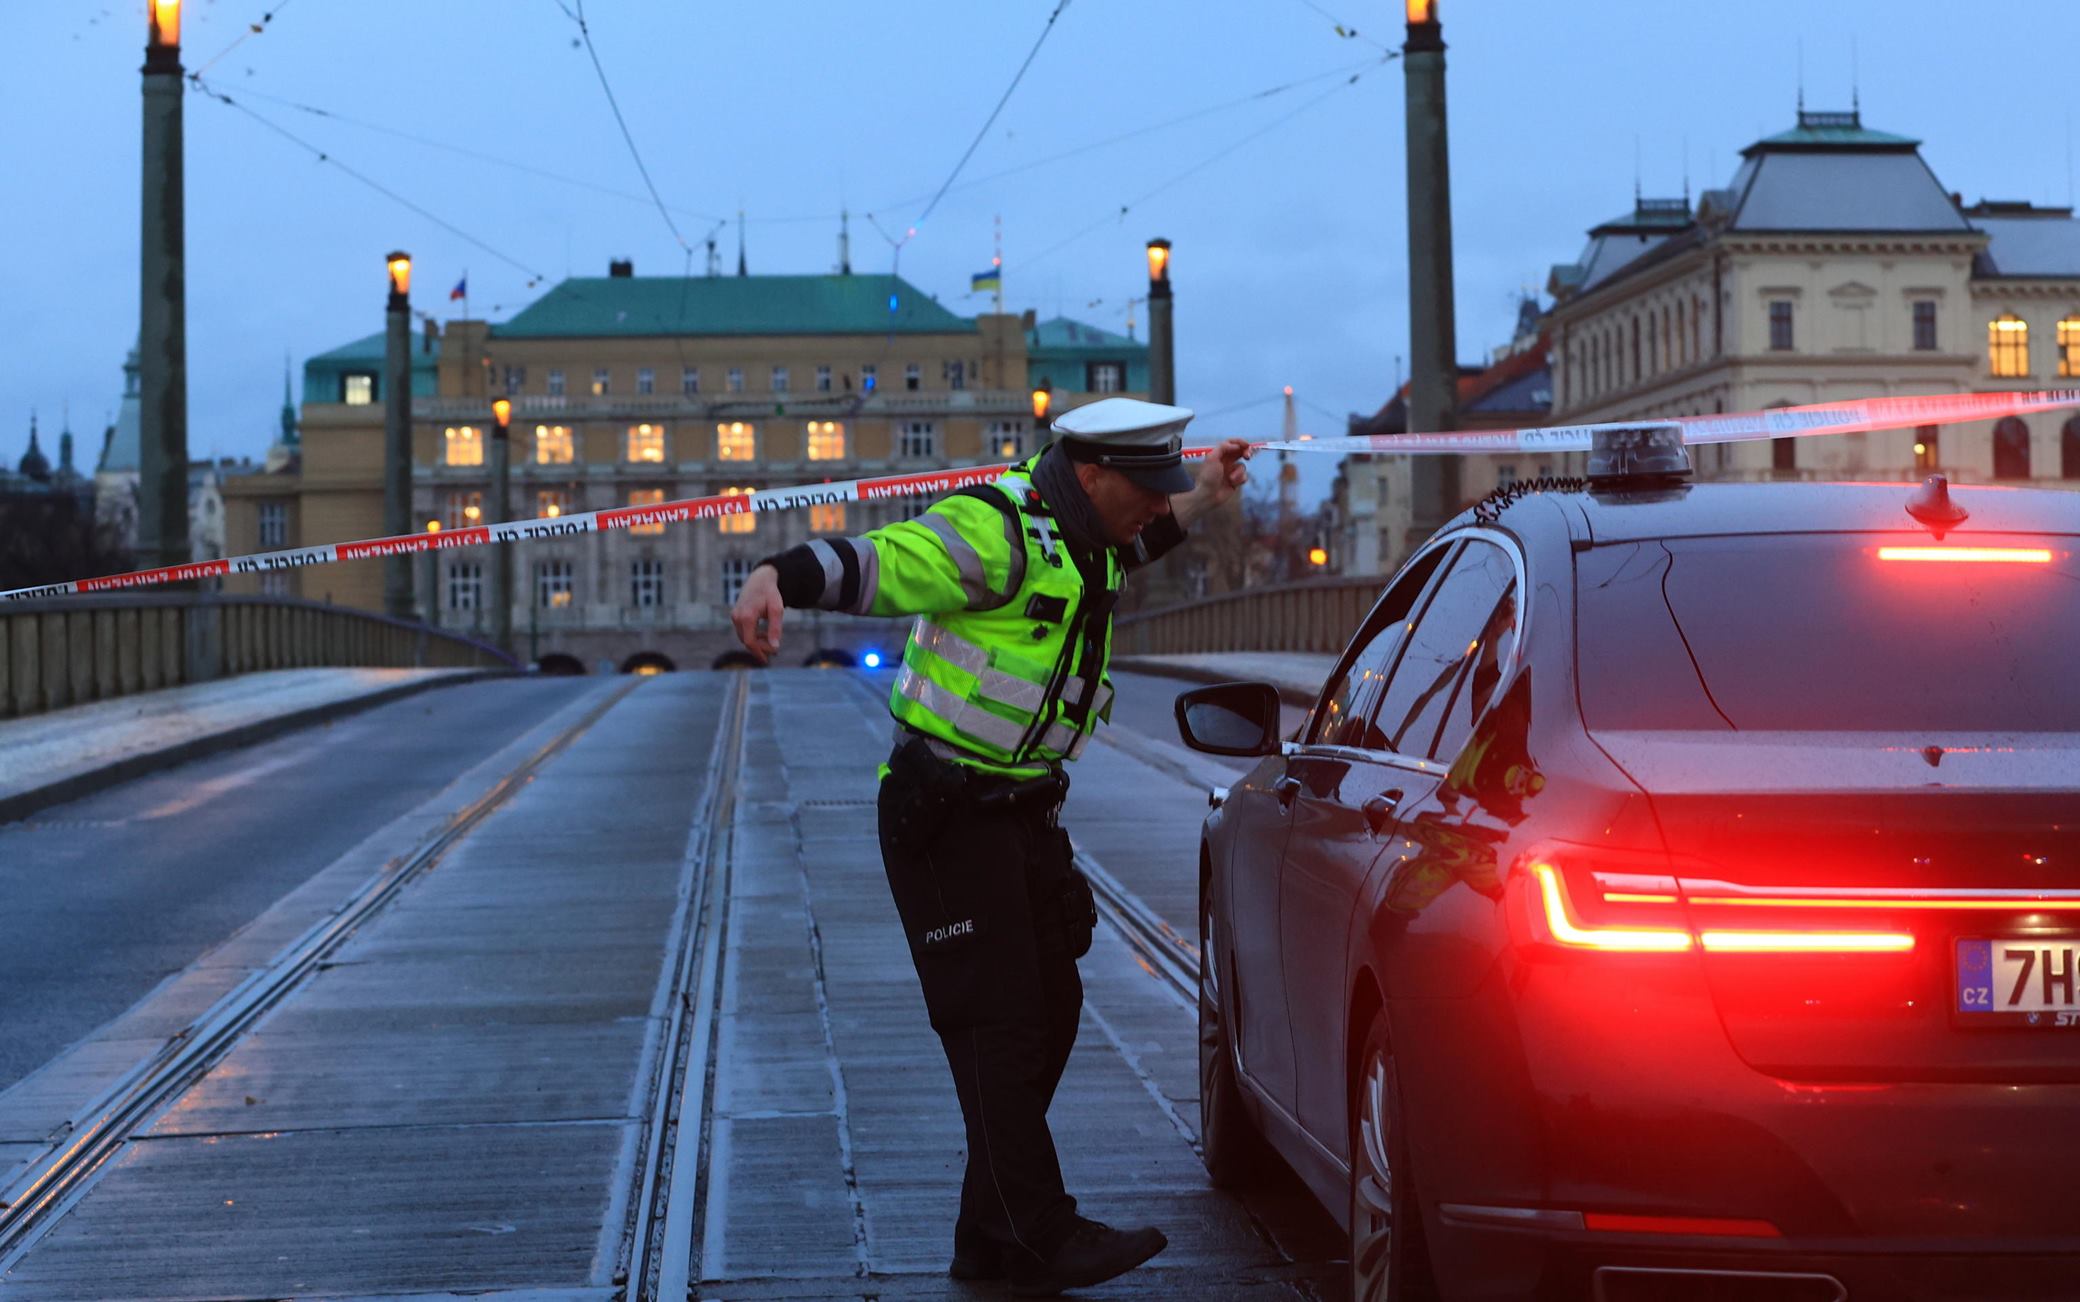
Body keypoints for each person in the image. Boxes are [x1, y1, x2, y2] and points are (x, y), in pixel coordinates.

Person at [731, 398, 1249, 1295]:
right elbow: (882, 564)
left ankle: (988, 1237)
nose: (1158, 505)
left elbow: (1132, 552)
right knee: (1000, 1023)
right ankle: (1036, 1227)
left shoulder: (1082, 537)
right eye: (1151, 488)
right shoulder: (997, 528)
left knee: (1052, 1007)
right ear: (1092, 476)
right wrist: (778, 572)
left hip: (1022, 816)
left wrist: (1201, 495)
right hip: (947, 814)